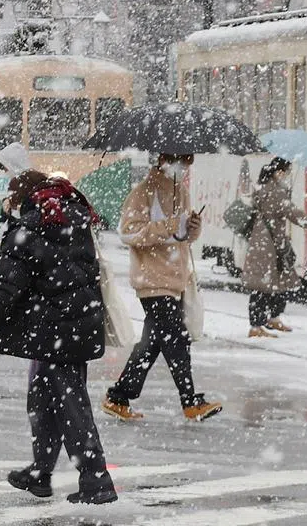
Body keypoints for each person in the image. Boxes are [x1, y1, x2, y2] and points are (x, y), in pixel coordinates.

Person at [0, 170, 117, 505]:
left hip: (56, 331)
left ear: (23, 197)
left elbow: (8, 289)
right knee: (44, 401)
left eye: (11, 197)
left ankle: (96, 478)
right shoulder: (72, 218)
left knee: (70, 405)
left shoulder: (31, 229)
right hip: (75, 324)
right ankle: (41, 471)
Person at [101, 153, 222, 423]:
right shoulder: (143, 192)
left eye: (189, 160)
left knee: (152, 343)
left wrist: (192, 228)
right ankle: (190, 401)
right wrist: (167, 226)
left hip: (176, 279)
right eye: (182, 158)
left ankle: (119, 395)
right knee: (176, 338)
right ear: (164, 158)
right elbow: (129, 233)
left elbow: (184, 239)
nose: (186, 164)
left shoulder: (183, 192)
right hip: (152, 280)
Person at [242, 157, 307, 338]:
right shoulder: (274, 193)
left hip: (266, 243)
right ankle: (256, 326)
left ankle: (271, 318)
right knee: (264, 285)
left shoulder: (263, 188)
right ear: (278, 172)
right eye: (285, 171)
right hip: (268, 245)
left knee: (277, 282)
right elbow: (294, 214)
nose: (287, 175)